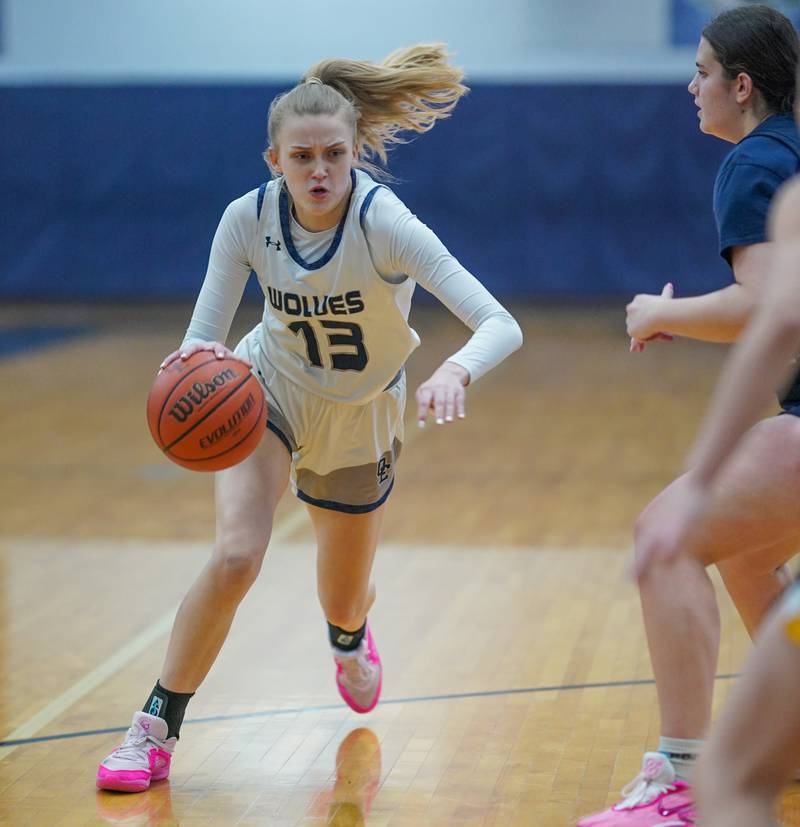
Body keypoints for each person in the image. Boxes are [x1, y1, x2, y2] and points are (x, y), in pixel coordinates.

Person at [95, 44, 523, 793]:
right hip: (268, 394)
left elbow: (499, 322)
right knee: (237, 557)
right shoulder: (247, 219)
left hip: (361, 417)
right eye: (302, 157)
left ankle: (350, 637)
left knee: (342, 597)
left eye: (333, 154)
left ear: (356, 153)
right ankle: (153, 729)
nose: (319, 170)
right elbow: (204, 338)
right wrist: (187, 368)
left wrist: (455, 369)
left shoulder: (385, 223)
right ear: (275, 160)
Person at [577, 6, 800, 826]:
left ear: (741, 86)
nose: (689, 85)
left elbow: (767, 309)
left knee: (666, 537)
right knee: (747, 554)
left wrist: (658, 313)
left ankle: (680, 775)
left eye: (701, 71)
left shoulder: (755, 162)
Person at [632, 165, 800, 827]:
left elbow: (770, 323)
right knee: (747, 555)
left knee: (728, 773)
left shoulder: (771, 178)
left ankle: (677, 773)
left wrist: (698, 483)